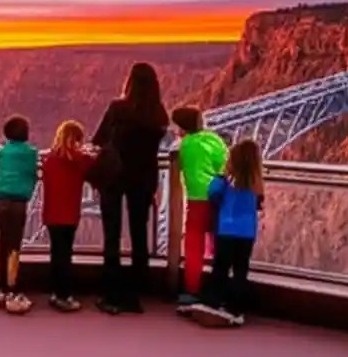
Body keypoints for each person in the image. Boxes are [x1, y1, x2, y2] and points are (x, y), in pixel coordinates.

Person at [91, 62, 169, 315]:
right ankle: (134, 296)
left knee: (111, 236)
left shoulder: (118, 109)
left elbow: (98, 140)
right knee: (139, 237)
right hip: (144, 179)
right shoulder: (159, 116)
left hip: (114, 177)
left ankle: (111, 295)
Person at [191, 139, 265, 328]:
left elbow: (212, 193)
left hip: (226, 230)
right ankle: (236, 309)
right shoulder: (256, 186)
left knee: (221, 267)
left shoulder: (224, 181)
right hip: (247, 234)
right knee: (240, 270)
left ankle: (214, 301)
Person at [170, 106, 228, 307]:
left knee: (194, 246)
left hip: (196, 200)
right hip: (219, 197)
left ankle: (192, 290)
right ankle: (218, 290)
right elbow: (225, 164)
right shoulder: (215, 140)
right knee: (219, 244)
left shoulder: (185, 145)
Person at [41, 120, 97, 312]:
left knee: (56, 254)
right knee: (65, 255)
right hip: (70, 215)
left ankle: (56, 293)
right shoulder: (80, 160)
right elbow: (94, 163)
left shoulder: (49, 159)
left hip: (51, 214)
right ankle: (65, 296)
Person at [0, 115, 37, 314]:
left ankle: (1, 289)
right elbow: (32, 174)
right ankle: (12, 288)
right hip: (19, 201)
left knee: (4, 243)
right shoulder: (31, 153)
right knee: (14, 246)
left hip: (2, 199)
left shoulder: (2, 152)